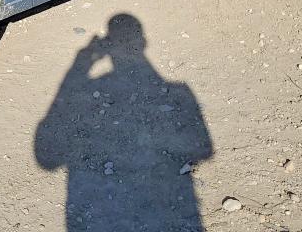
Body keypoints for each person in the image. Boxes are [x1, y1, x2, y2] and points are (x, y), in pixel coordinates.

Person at [35, 13, 212, 232]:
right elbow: (205, 151)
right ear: (144, 42)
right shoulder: (181, 92)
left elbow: (46, 159)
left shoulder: (91, 92)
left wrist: (81, 63)